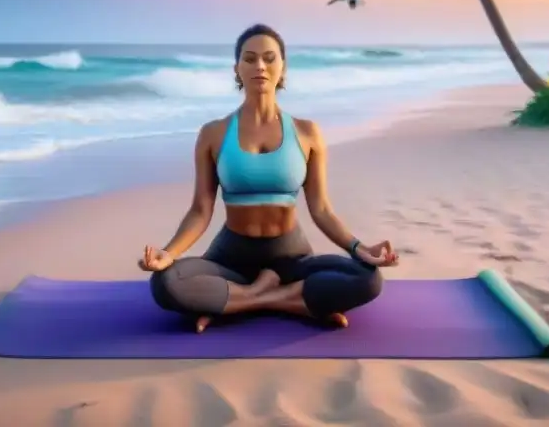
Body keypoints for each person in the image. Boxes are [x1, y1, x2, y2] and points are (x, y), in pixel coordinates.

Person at [138, 23, 398, 333]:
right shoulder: (214, 133)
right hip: (229, 260)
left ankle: (238, 302)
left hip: (293, 259)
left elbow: (322, 209)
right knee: (165, 283)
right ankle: (287, 300)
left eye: (269, 58)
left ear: (282, 67)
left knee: (369, 279)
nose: (259, 65)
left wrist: (358, 248)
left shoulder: (306, 133)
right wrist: (168, 254)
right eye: (249, 59)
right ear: (237, 69)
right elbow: (201, 209)